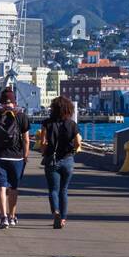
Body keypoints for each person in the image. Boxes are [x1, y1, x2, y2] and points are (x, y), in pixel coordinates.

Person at [0, 86, 32, 228]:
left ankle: (3, 217)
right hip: (16, 157)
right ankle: (12, 216)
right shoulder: (21, 116)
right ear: (15, 101)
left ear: (0, 102)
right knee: (13, 187)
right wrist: (25, 155)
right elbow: (26, 139)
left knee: (0, 186)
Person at [41, 96, 81, 229]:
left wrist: (44, 152)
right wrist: (74, 149)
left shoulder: (47, 123)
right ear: (68, 109)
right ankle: (63, 219)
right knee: (64, 190)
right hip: (68, 160)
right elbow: (77, 143)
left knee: (53, 189)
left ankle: (56, 212)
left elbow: (43, 143)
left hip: (52, 160)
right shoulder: (72, 124)